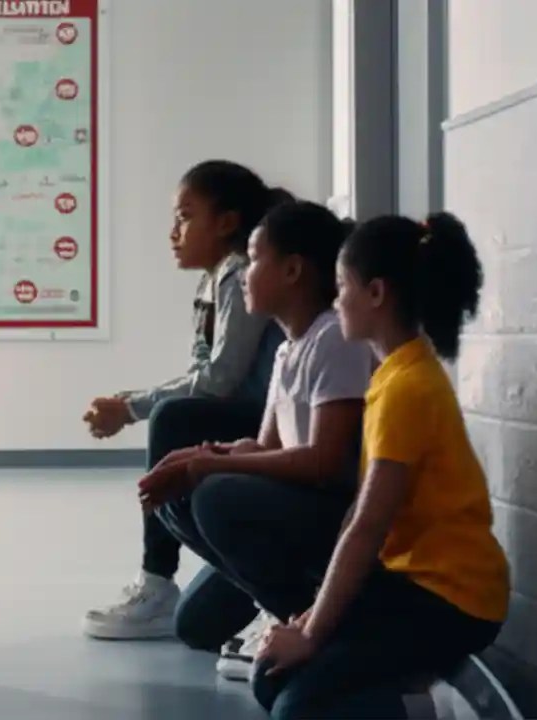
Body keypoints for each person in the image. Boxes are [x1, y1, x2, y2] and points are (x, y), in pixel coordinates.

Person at [247, 212, 508, 719]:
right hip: (409, 582)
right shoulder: (394, 374)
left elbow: (366, 527)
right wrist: (312, 619)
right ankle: (403, 693)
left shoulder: (409, 386)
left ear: (375, 294)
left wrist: (314, 632)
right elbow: (361, 514)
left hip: (453, 602)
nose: (336, 298)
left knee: (295, 707)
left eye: (343, 285)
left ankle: (412, 708)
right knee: (272, 677)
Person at [137, 201, 375, 681]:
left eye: (254, 258)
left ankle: (313, 625)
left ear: (292, 270)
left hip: (334, 516)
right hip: (296, 506)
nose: (245, 273)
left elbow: (325, 463)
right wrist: (199, 456)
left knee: (217, 496)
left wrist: (213, 468)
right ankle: (278, 602)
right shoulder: (289, 347)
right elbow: (265, 444)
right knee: (197, 625)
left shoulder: (333, 339)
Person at [82, 160, 289, 640]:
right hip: (252, 419)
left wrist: (132, 407)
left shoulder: (238, 273)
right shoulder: (214, 278)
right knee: (197, 628)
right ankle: (245, 580)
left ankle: (157, 580)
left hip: (270, 426)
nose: (173, 231)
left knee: (175, 418)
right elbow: (207, 373)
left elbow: (218, 381)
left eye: (185, 216)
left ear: (226, 222)